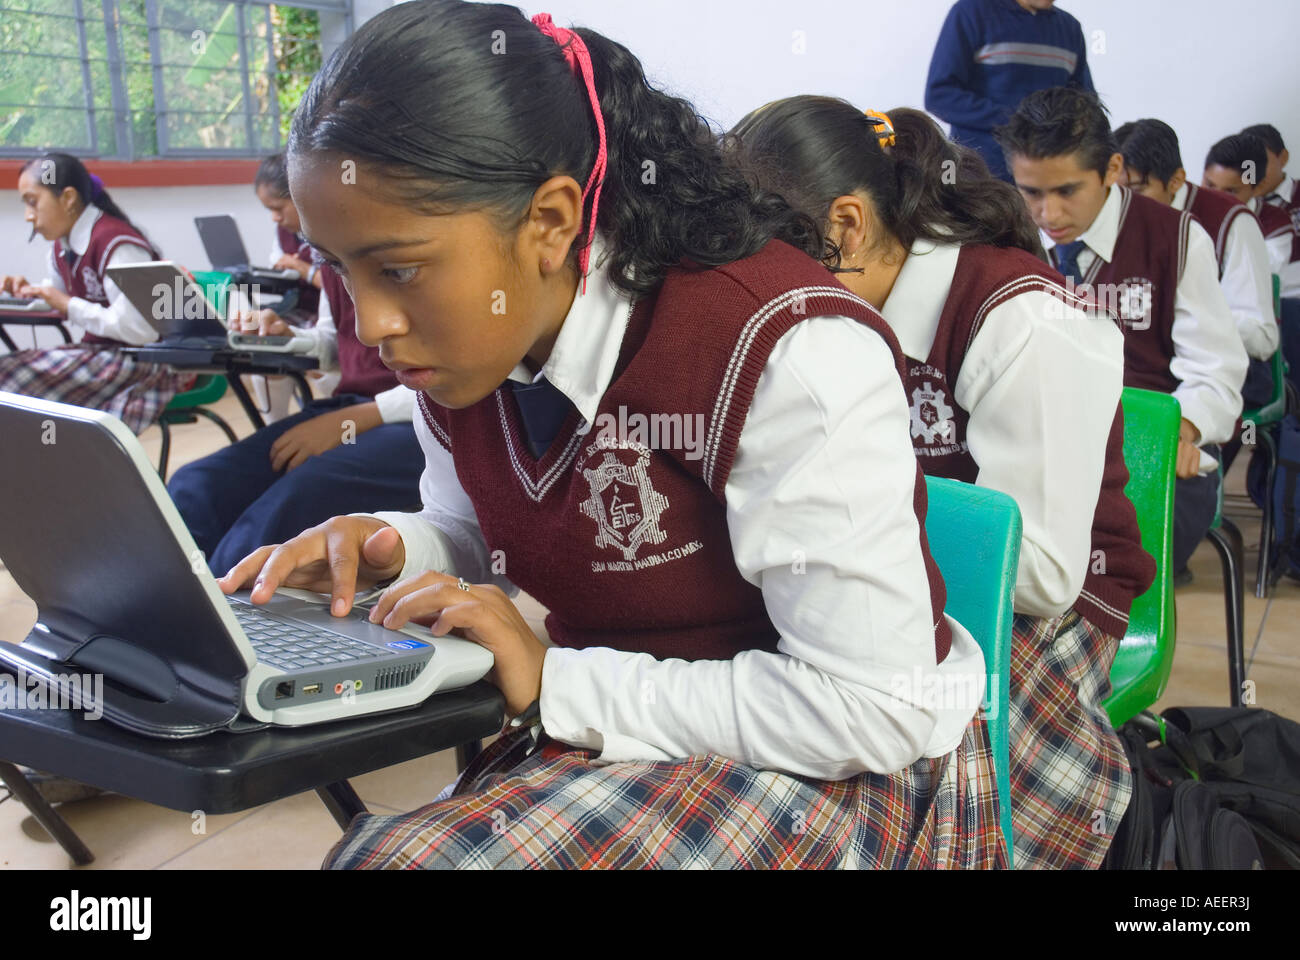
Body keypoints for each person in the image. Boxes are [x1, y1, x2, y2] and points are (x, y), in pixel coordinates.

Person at [220, 0, 1004, 870]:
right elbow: (479, 528)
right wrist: (393, 549)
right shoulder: (469, 348)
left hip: (837, 770)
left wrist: (557, 679)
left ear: (553, 222)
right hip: (640, 723)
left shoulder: (785, 350)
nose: (371, 325)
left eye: (399, 268)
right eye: (339, 267)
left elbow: (869, 709)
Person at [730, 97, 1153, 869]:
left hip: (1042, 615)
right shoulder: (838, 319)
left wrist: (853, 521)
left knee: (898, 761)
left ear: (848, 227)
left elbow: (1048, 572)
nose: (755, 291)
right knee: (786, 714)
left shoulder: (1022, 320)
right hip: (912, 583)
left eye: (768, 260)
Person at [997, 88, 1247, 585]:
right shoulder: (1004, 236)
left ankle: (1089, 652)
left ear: (1111, 169)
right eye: (1031, 192)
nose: (1048, 215)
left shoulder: (1175, 237)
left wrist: (1183, 429)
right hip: (1040, 445)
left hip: (1147, 444)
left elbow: (1214, 368)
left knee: (1120, 563)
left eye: (1067, 191)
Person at [167, 252, 422, 576]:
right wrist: (288, 340)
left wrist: (368, 414)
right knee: (195, 483)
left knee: (288, 502)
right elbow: (334, 343)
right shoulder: (333, 251)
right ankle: (168, 598)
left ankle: (219, 612)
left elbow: (474, 376)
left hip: (424, 416)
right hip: (351, 405)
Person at [0, 153, 192, 434]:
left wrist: (66, 304)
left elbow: (141, 331)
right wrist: (28, 292)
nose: (29, 216)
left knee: (9, 376)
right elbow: (60, 297)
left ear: (67, 198)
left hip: (142, 360)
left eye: (33, 202)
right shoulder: (62, 245)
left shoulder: (116, 244)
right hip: (104, 355)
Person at [1117, 119, 1278, 412]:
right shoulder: (1114, 216)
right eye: (1115, 190)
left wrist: (1184, 318)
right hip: (1145, 374)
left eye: (1138, 189)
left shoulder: (1231, 221)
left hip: (1223, 372)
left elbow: (1263, 336)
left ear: (1176, 180)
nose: (1122, 202)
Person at [925, 0, 1094, 182]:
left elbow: (1086, 103)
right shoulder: (971, 13)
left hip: (1047, 177)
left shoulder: (1069, 28)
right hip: (982, 178)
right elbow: (940, 94)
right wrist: (1018, 121)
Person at [247, 154, 328, 423]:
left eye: (278, 208)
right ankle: (274, 425)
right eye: (268, 209)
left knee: (329, 361)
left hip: (332, 316)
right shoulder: (285, 232)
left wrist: (305, 270)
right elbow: (280, 262)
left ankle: (334, 415)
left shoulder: (333, 231)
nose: (274, 217)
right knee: (263, 343)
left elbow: (341, 284)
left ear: (301, 195)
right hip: (302, 308)